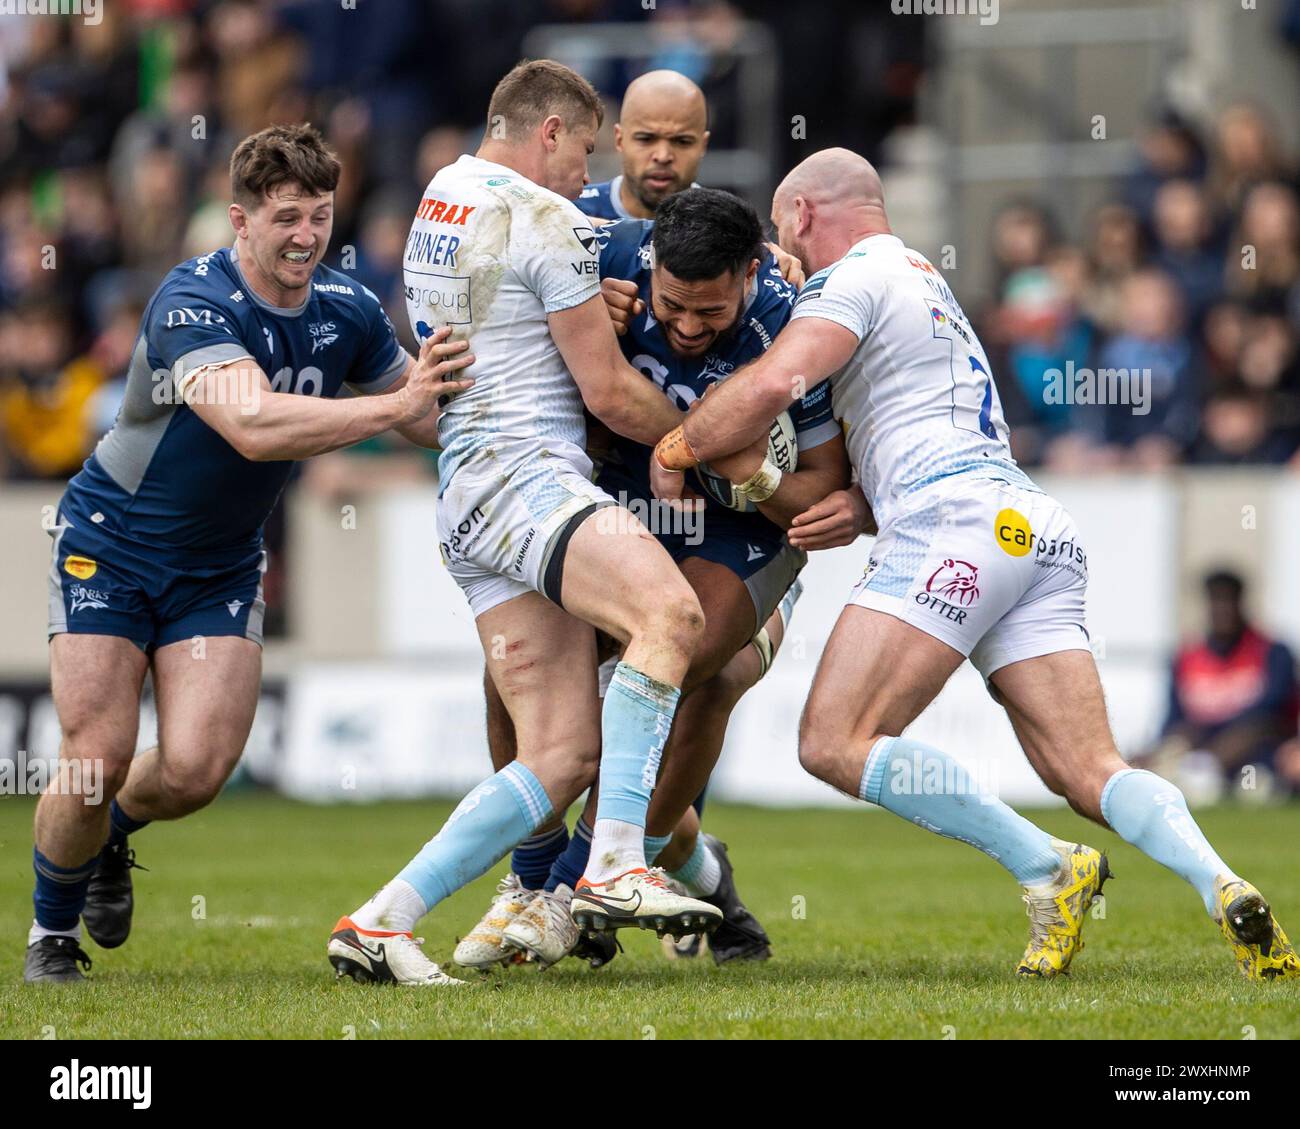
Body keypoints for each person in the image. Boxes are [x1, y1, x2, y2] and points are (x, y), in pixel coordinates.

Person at [650, 147, 1299, 981]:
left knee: (833, 740)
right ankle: (1222, 880)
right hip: (1028, 525)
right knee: (1089, 768)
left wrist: (678, 442)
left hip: (951, 522)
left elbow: (777, 380)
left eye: (784, 231)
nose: (784, 253)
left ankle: (1047, 867)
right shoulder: (928, 282)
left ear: (804, 214)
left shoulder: (852, 276)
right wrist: (860, 501)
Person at [24, 123, 474, 983]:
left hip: (220, 567)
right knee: (95, 753)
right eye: (287, 217)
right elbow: (252, 422)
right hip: (108, 549)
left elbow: (423, 415)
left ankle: (110, 833)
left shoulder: (348, 310)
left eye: (321, 215)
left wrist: (476, 365)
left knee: (193, 772)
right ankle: (51, 937)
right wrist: (389, 410)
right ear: (240, 219)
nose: (307, 235)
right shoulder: (192, 298)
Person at [326, 61, 728, 988]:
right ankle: (620, 861)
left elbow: (539, 273)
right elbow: (609, 392)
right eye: (583, 153)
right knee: (670, 616)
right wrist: (711, 445)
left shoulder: (443, 192)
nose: (587, 178)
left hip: (464, 493)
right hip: (527, 479)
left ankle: (383, 920)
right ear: (547, 132)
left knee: (560, 753)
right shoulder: (545, 218)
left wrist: (597, 277)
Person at [458, 188, 869, 970]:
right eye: (671, 305)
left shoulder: (794, 323)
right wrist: (577, 316)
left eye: (708, 313)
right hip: (618, 503)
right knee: (513, 665)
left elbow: (820, 489)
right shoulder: (604, 258)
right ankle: (562, 878)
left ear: (752, 273)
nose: (684, 327)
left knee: (680, 674)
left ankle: (574, 891)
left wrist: (744, 473)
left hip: (740, 529)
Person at [1146, 570, 1297, 798]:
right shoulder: (1186, 657)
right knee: (1170, 751)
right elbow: (1173, 718)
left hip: (1257, 752)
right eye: (1217, 600)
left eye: (1229, 600)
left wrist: (1218, 742)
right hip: (1198, 748)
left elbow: (1271, 711)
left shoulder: (1273, 652)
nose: (1223, 609)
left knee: (1251, 757)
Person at [576, 70, 707, 222]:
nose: (663, 156)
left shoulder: (725, 228)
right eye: (646, 139)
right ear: (619, 139)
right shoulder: (571, 214)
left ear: (703, 145)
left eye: (682, 141)